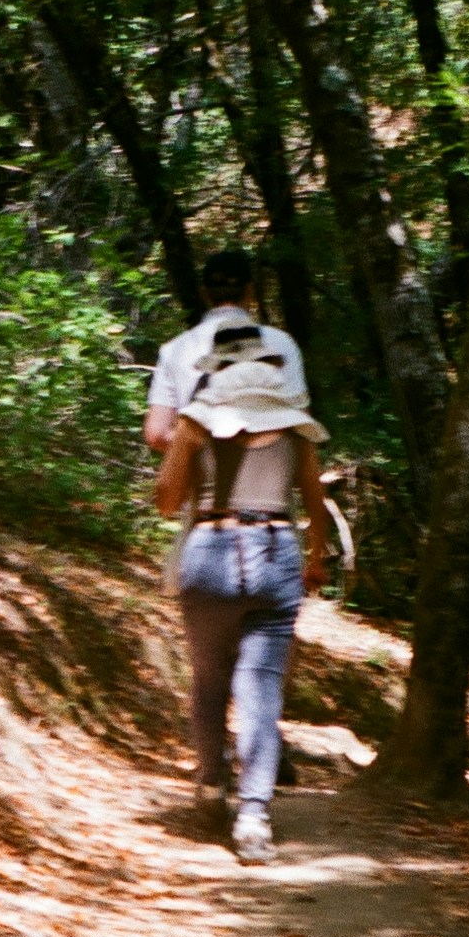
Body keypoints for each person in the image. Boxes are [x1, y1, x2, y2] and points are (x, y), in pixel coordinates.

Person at [154, 344, 329, 865]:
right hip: (276, 553)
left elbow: (166, 501)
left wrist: (192, 465)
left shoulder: (194, 426)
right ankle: (253, 816)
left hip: (209, 552)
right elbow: (314, 501)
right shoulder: (296, 432)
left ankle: (211, 784)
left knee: (210, 678)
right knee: (261, 688)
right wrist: (316, 559)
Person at [144, 248, 307, 454]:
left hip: (201, 471)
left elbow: (157, 433)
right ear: (250, 291)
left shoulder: (175, 349)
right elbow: (301, 425)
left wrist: (200, 449)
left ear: (204, 293)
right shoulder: (281, 344)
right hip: (270, 468)